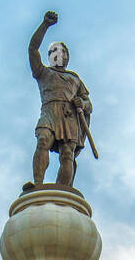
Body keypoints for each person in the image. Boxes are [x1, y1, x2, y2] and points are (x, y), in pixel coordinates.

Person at [25, 11, 93, 189]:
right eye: (54, 52)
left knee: (67, 154)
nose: (59, 55)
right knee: (43, 140)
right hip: (49, 111)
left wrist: (82, 103)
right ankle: (37, 185)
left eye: (62, 52)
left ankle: (63, 190)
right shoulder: (43, 72)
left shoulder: (74, 78)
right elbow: (32, 49)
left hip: (69, 115)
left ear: (67, 56)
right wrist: (45, 25)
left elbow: (89, 104)